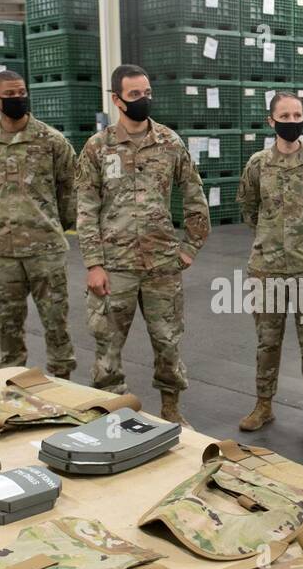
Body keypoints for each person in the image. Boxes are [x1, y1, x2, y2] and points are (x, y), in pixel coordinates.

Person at [76, 64, 210, 426]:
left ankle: (170, 409)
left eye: (147, 92)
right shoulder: (97, 148)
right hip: (114, 266)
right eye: (135, 95)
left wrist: (190, 247)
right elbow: (86, 208)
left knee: (168, 341)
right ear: (117, 100)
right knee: (108, 345)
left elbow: (195, 196)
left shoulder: (169, 143)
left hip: (162, 265)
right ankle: (111, 414)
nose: (144, 99)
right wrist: (94, 264)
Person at [238, 91, 303, 433]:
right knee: (268, 340)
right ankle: (263, 404)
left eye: (298, 116)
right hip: (267, 267)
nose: (292, 122)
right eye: (285, 116)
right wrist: (270, 237)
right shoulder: (257, 164)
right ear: (272, 121)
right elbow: (249, 207)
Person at [0, 70, 76, 377]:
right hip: (0, 252)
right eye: (11, 94)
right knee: (8, 327)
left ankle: (63, 385)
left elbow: (70, 190)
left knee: (57, 324)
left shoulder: (52, 141)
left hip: (46, 249)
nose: (18, 99)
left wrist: (51, 225)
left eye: (22, 92)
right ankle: (11, 383)